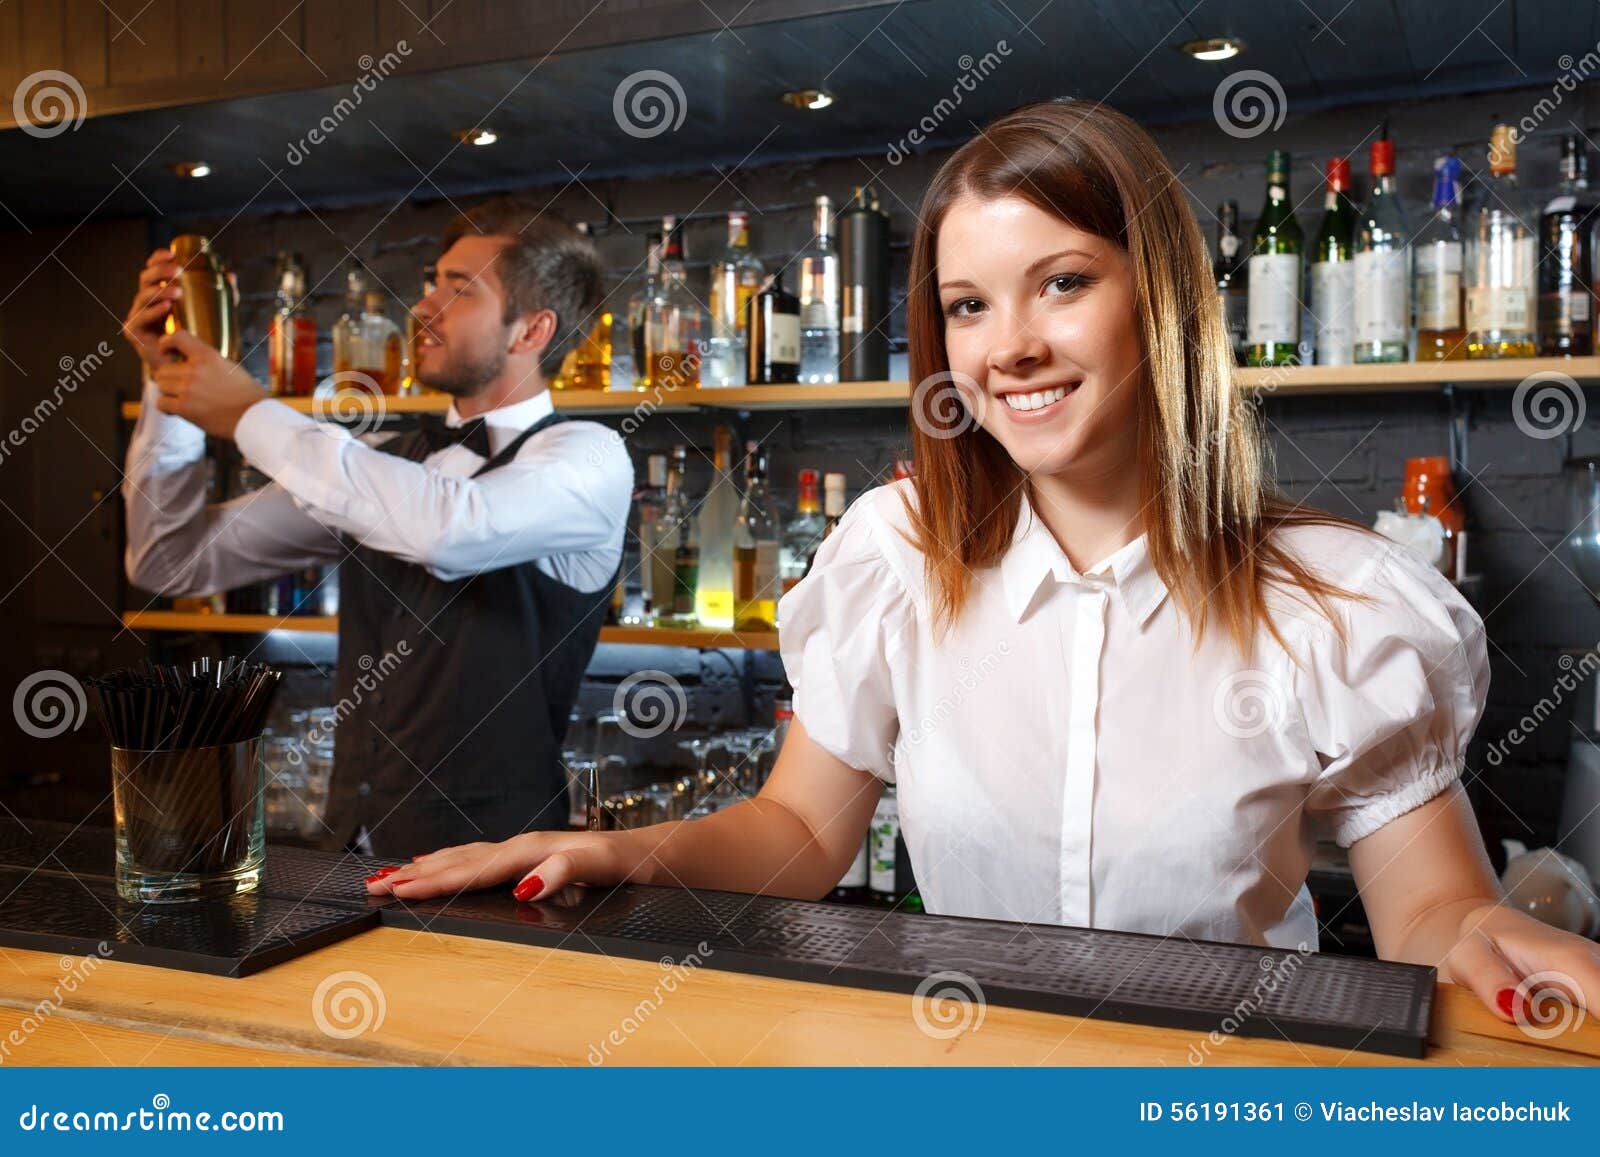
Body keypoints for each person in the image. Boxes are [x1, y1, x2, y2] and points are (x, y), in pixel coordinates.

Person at [370, 103, 1599, 1023]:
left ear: (1159, 299)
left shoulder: (1333, 599)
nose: (1008, 346)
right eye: (966, 306)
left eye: (1060, 283)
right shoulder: (896, 559)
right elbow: (798, 828)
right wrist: (619, 849)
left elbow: (1428, 910)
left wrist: (1492, 932)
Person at [121, 199, 632, 857]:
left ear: (531, 331)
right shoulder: (381, 465)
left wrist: (250, 412)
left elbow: (452, 528)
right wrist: (172, 394)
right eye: (430, 283)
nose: (422, 307)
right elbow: (171, 560)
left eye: (459, 290)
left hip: (499, 880)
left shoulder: (588, 458)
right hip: (347, 860)